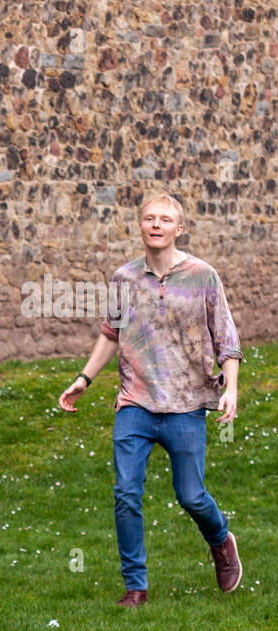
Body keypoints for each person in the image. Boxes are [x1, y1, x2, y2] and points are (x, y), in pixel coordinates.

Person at [58, 193, 242, 606]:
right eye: (148, 219)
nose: (156, 225)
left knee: (191, 495)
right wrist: (84, 379)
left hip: (186, 404)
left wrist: (230, 387)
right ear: (140, 226)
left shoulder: (203, 276)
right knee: (126, 493)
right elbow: (111, 333)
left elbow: (227, 340)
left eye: (165, 220)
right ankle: (135, 586)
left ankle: (220, 540)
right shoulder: (124, 278)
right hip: (135, 403)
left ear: (179, 228)